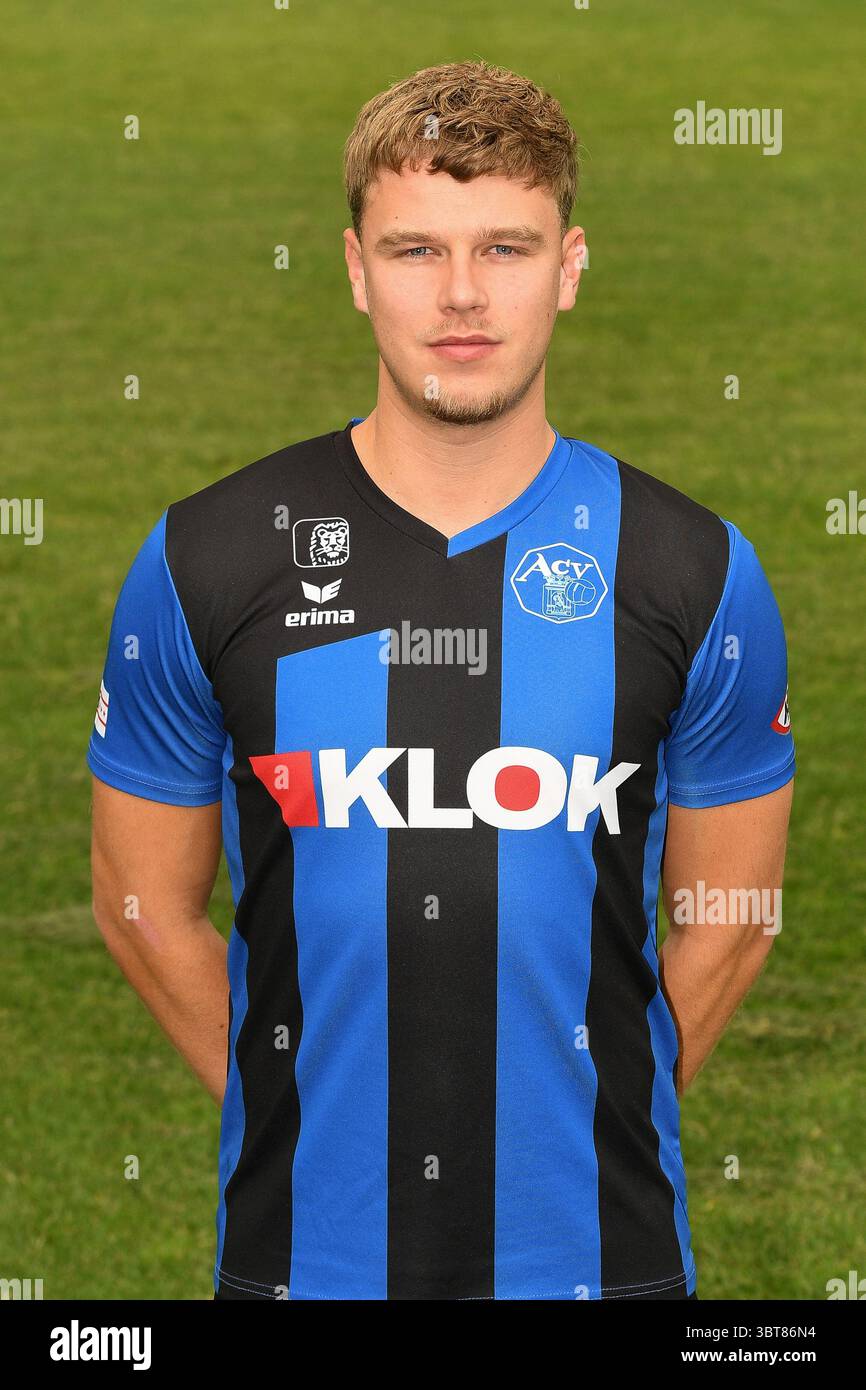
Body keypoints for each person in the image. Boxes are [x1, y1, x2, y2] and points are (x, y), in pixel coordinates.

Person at [87, 60, 794, 1301]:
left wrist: (569, 1104)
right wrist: (299, 1091)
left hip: (600, 1265)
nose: (461, 297)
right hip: (302, 1265)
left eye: (505, 249)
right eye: (415, 250)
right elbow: (142, 908)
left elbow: (729, 923)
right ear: (354, 267)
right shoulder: (210, 553)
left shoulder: (691, 568)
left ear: (568, 267)